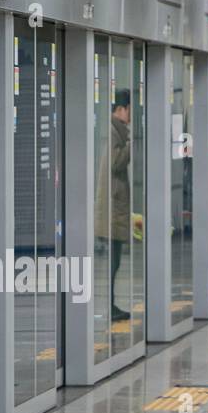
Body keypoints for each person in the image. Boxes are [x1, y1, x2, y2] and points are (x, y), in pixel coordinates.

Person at [94, 89, 132, 322]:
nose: (130, 116)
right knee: (114, 260)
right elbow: (116, 163)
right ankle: (110, 305)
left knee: (115, 261)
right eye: (129, 110)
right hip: (112, 206)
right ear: (120, 109)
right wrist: (131, 146)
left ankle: (112, 304)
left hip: (114, 206)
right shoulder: (113, 132)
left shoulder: (117, 131)